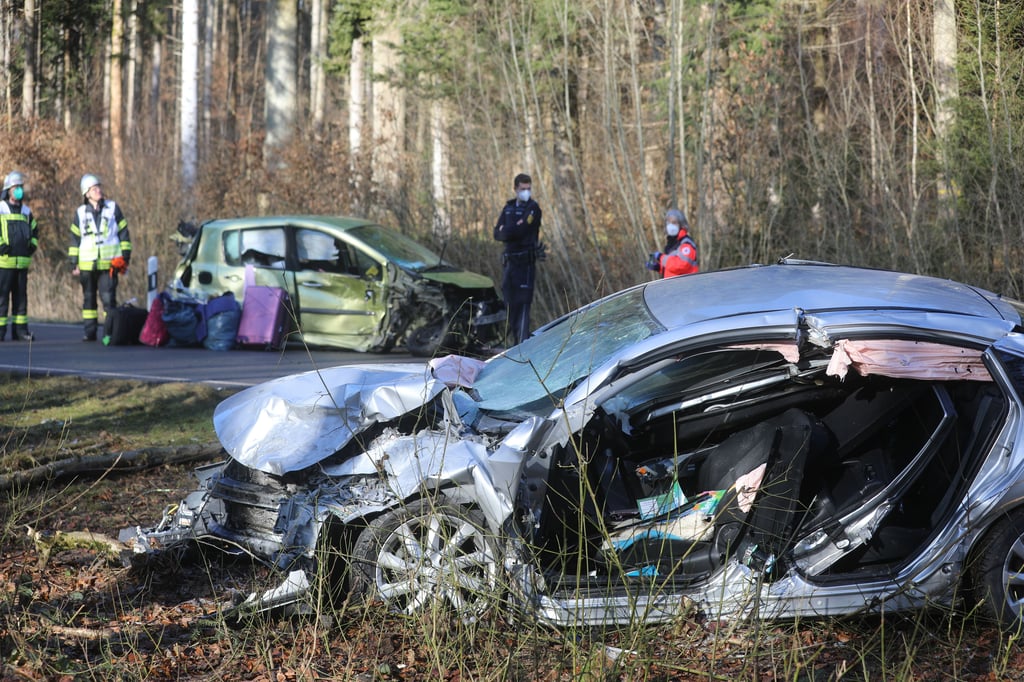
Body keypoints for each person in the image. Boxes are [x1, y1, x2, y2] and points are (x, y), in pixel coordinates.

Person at [69, 174, 132, 341]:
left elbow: (124, 232)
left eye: (99, 187)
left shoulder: (112, 208)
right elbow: (75, 239)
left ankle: (109, 333)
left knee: (109, 299)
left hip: (109, 264)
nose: (98, 191)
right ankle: (89, 332)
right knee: (89, 300)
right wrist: (73, 262)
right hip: (87, 265)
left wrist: (125, 256)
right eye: (94, 189)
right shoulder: (80, 213)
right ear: (87, 193)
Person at [493, 172, 543, 345]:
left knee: (522, 305)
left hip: (525, 264)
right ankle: (516, 343)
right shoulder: (508, 208)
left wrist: (508, 230)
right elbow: (497, 233)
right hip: (509, 264)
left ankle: (522, 344)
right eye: (523, 189)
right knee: (510, 303)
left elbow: (521, 231)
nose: (526, 192)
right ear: (515, 189)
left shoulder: (533, 208)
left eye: (528, 188)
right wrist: (511, 230)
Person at [0, 171, 38, 341]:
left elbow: (35, 231)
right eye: (16, 187)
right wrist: (2, 246)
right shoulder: (1, 209)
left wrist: (32, 246)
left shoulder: (26, 211)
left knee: (21, 299)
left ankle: (20, 331)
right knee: (2, 299)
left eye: (20, 187)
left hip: (22, 263)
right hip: (4, 263)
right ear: (8, 189)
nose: (19, 190)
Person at [646, 208, 699, 278]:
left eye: (674, 222)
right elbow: (672, 269)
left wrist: (661, 257)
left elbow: (682, 265)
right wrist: (658, 267)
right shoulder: (672, 244)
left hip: (686, 283)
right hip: (674, 283)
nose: (670, 225)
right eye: (668, 223)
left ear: (681, 224)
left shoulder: (686, 244)